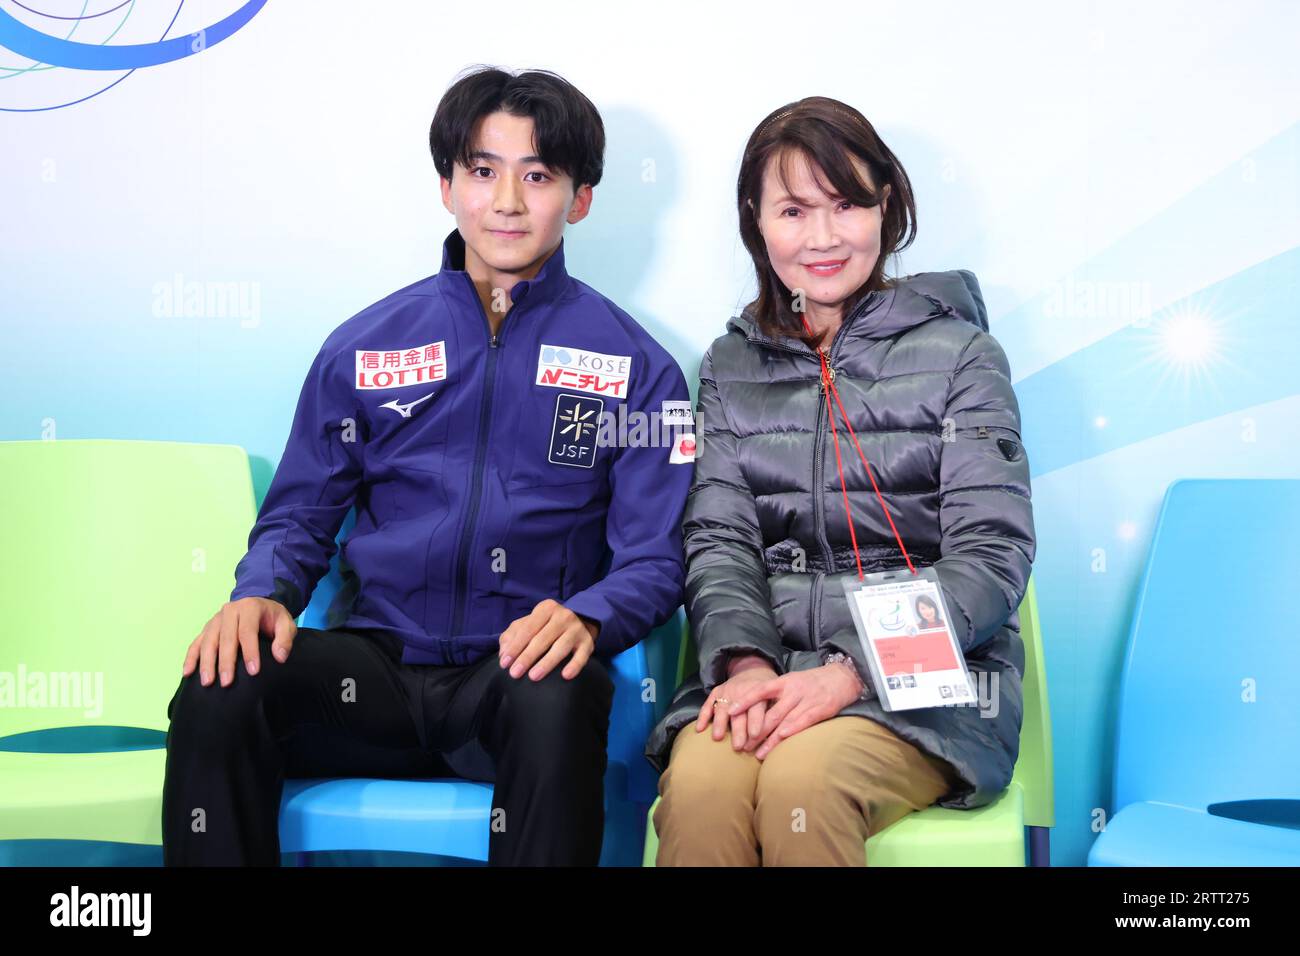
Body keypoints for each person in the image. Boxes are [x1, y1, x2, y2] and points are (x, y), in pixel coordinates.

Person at [162, 66, 693, 867]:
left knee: (557, 692)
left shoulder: (639, 367)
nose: (506, 201)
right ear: (447, 186)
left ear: (579, 198)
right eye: (482, 170)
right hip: (369, 673)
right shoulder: (365, 344)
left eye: (537, 176)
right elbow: (299, 515)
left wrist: (587, 618)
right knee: (222, 680)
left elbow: (655, 559)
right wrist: (260, 595)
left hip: (516, 671)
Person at [645, 96, 1036, 866]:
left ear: (886, 208)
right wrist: (746, 666)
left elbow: (991, 557)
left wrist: (849, 672)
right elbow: (719, 542)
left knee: (804, 783)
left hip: (927, 690)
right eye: (793, 211)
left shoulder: (963, 356)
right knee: (698, 789)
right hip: (768, 673)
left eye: (847, 205)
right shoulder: (729, 366)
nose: (823, 238)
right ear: (756, 221)